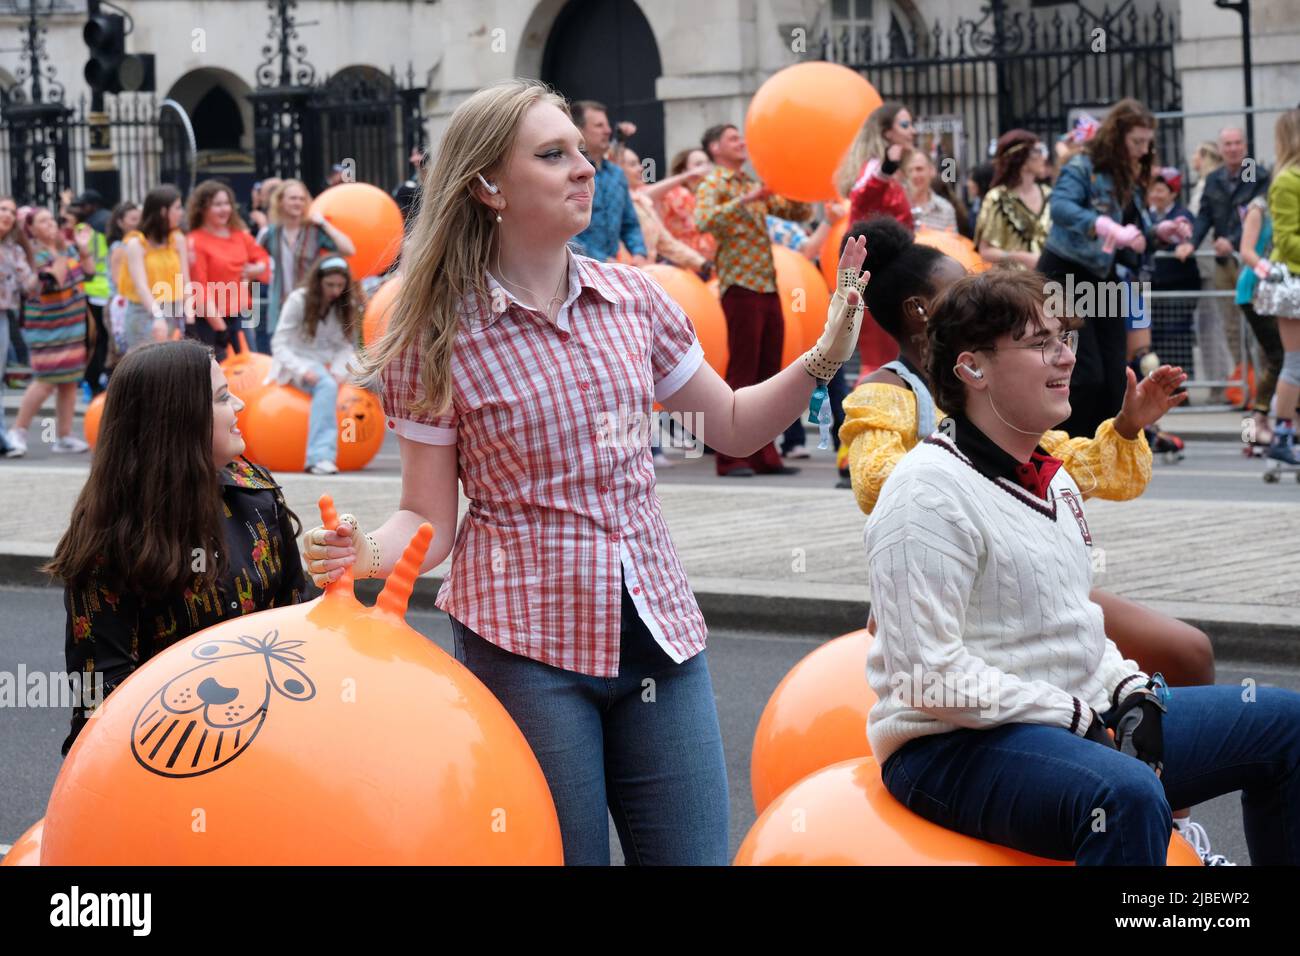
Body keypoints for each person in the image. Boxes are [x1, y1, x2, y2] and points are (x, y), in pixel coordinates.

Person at [302, 78, 866, 865]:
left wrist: (822, 358)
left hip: (662, 638)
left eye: (581, 150)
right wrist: (361, 551)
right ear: (488, 186)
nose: (584, 168)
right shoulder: (436, 334)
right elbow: (428, 520)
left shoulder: (635, 299)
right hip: (525, 649)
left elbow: (732, 424)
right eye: (553, 154)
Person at [866, 268, 1300, 865]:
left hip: (1068, 713)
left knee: (1286, 725)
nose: (1066, 357)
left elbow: (1073, 628)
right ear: (973, 368)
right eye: (1040, 342)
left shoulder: (1053, 478)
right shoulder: (925, 491)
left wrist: (1131, 694)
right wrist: (1077, 716)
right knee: (1125, 794)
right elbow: (929, 677)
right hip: (949, 747)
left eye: (1064, 337)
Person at [46, 339, 312, 755]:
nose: (241, 405)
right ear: (178, 420)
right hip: (167, 765)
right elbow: (100, 706)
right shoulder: (112, 540)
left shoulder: (256, 493)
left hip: (275, 748)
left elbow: (303, 624)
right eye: (223, 397)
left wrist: (341, 570)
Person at [1037, 98, 1189, 438]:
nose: (1142, 149)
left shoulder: (1129, 177)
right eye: (1136, 141)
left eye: (1147, 142)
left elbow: (1136, 232)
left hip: (1101, 277)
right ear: (1117, 136)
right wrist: (1103, 225)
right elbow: (1060, 208)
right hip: (1064, 273)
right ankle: (1068, 446)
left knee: (1115, 375)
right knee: (1084, 370)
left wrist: (1160, 233)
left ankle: (1106, 445)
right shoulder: (1082, 166)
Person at [696, 122, 816, 477]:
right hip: (739, 286)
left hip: (766, 284)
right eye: (733, 138)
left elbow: (800, 213)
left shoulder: (753, 182)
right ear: (715, 147)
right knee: (743, 371)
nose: (742, 143)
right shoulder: (714, 183)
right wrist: (743, 201)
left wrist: (792, 182)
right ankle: (729, 457)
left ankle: (765, 456)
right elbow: (703, 220)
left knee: (768, 374)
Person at [1176, 127, 1272, 399]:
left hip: (1250, 260)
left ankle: (1263, 387)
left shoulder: (1253, 172)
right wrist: (1190, 244)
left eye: (1237, 143)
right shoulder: (1215, 179)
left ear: (1245, 145)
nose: (1232, 148)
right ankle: (1243, 384)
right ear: (1221, 147)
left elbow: (1256, 214)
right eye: (1227, 144)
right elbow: (1204, 216)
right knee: (1231, 326)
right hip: (1222, 262)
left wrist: (1232, 240)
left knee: (1257, 325)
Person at [4, 208, 96, 456]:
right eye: (43, 221)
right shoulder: (34, 253)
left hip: (72, 326)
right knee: (45, 381)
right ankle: (18, 430)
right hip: (46, 328)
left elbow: (89, 272)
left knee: (68, 382)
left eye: (51, 220)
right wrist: (64, 253)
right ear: (30, 228)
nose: (51, 224)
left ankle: (64, 435)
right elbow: (52, 280)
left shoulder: (66, 249)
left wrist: (83, 247)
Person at [268, 256, 360, 474]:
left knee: (367, 377)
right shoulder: (299, 300)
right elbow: (279, 343)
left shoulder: (346, 304)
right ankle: (319, 457)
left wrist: (339, 371)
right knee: (327, 386)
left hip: (328, 365)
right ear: (318, 281)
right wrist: (302, 370)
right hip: (298, 363)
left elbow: (346, 347)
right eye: (330, 285)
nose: (335, 290)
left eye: (340, 285)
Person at [256, 179, 356, 355]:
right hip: (279, 305)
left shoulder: (314, 231)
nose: (298, 203)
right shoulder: (270, 233)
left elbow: (348, 249)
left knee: (309, 355)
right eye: (293, 198)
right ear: (280, 201)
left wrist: (324, 223)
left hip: (310, 303)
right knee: (281, 354)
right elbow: (253, 258)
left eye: (302, 199)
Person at [187, 180, 271, 361]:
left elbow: (263, 259)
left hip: (241, 315)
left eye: (227, 204)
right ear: (202, 208)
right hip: (210, 320)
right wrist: (220, 327)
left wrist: (256, 269)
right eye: (217, 204)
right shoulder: (195, 241)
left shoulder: (240, 236)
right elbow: (198, 288)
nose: (224, 209)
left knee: (250, 370)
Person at [1259, 110, 1300, 464]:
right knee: (1294, 363)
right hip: (1295, 284)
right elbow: (1286, 241)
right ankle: (1282, 433)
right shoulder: (1287, 180)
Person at [570, 100, 647, 264]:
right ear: (579, 130)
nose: (608, 131)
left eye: (607, 125)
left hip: (609, 271)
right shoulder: (570, 173)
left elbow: (630, 222)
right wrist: (600, 259)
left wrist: (639, 253)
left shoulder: (617, 174)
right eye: (599, 126)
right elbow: (563, 228)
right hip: (573, 267)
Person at [118, 186, 191, 353]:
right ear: (163, 211)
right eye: (178, 207)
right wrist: (158, 316)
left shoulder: (177, 240)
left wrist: (190, 315)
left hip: (173, 311)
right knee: (144, 367)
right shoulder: (136, 244)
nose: (181, 212)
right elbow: (141, 286)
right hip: (144, 314)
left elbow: (185, 279)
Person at [1237, 194, 1284, 446]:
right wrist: (1272, 274)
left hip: (1280, 293)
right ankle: (1257, 420)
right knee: (1279, 356)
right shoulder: (1259, 208)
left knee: (1287, 358)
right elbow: (1246, 252)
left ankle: (1279, 419)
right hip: (1254, 292)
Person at [616, 147, 706, 271]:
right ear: (614, 169)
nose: (640, 168)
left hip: (646, 275)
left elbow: (666, 242)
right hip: (624, 274)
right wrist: (685, 176)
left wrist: (702, 263)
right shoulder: (614, 203)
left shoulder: (642, 202)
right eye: (632, 164)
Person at [974, 129, 1052, 269]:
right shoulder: (997, 198)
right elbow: (985, 252)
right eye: (1038, 150)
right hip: (1011, 285)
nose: (1044, 157)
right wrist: (1020, 258)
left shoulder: (1049, 195)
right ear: (1021, 158)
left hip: (1049, 283)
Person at [0, 196, 37, 457]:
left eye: (12, 211)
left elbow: (29, 285)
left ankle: (2, 438)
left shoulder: (14, 250)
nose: (8, 214)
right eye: (2, 208)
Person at [649, 147, 716, 267]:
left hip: (711, 266)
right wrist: (686, 176)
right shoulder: (674, 194)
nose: (704, 168)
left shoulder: (714, 195)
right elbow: (646, 195)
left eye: (707, 163)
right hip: (682, 264)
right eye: (698, 164)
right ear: (685, 169)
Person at [904, 151, 957, 231]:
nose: (914, 175)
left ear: (932, 171)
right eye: (910, 170)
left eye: (919, 169)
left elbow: (953, 242)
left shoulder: (946, 210)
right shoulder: (898, 206)